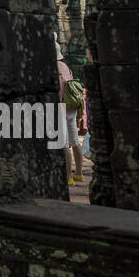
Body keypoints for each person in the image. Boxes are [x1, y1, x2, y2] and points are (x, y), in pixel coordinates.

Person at [57, 51, 85, 187]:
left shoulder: (53, 67)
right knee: (75, 141)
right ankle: (79, 173)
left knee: (64, 144)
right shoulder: (65, 66)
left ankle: (68, 177)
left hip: (60, 105)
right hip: (71, 105)